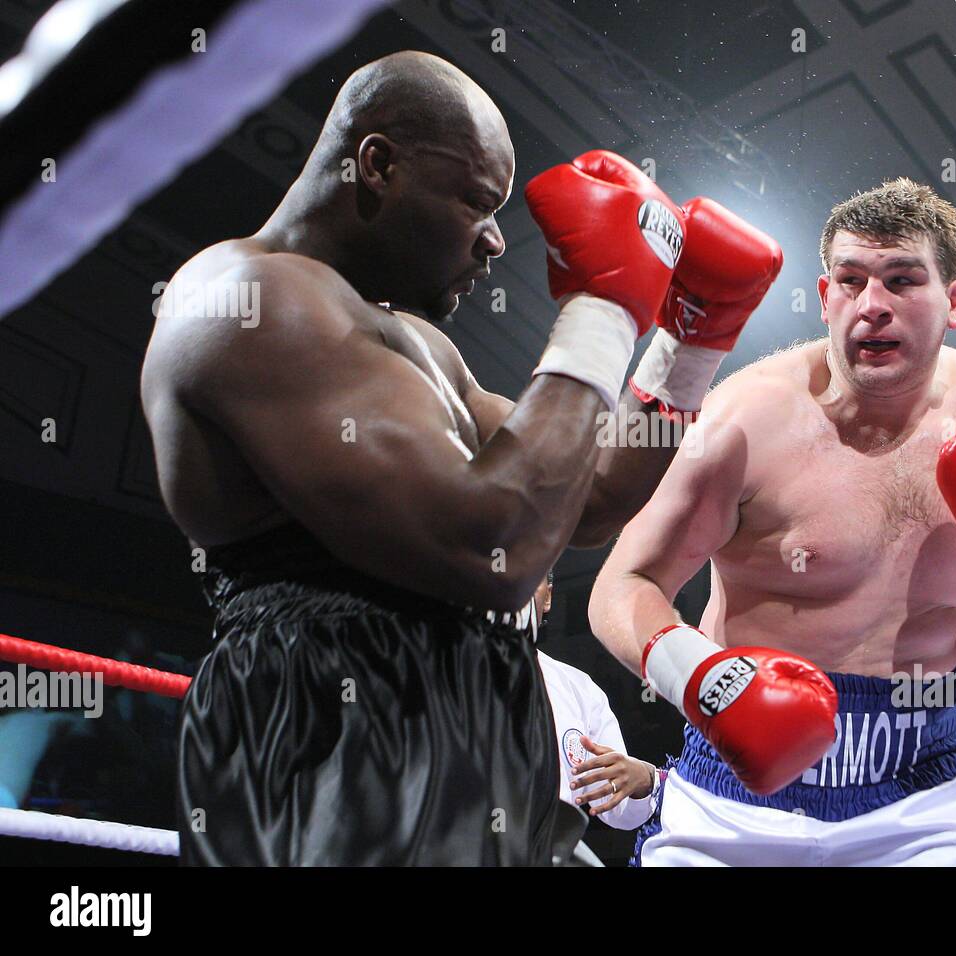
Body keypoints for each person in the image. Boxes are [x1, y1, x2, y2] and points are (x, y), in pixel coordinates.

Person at [141, 51, 780, 864]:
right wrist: (604, 307)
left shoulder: (420, 347)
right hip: (334, 737)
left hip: (472, 745)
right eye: (478, 201)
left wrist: (689, 339)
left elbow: (582, 497)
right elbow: (492, 546)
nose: (493, 241)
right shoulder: (251, 298)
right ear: (377, 165)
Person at [588, 178, 956, 866]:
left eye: (901, 280)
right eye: (851, 281)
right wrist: (705, 680)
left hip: (928, 791)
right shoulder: (746, 418)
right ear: (825, 295)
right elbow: (622, 583)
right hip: (740, 795)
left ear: (955, 302)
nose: (873, 307)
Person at [531, 574, 661, 834]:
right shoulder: (440, 668)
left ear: (548, 597)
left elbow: (617, 809)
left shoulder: (578, 688)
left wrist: (645, 779)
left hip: (545, 849)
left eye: (531, 574)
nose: (518, 584)